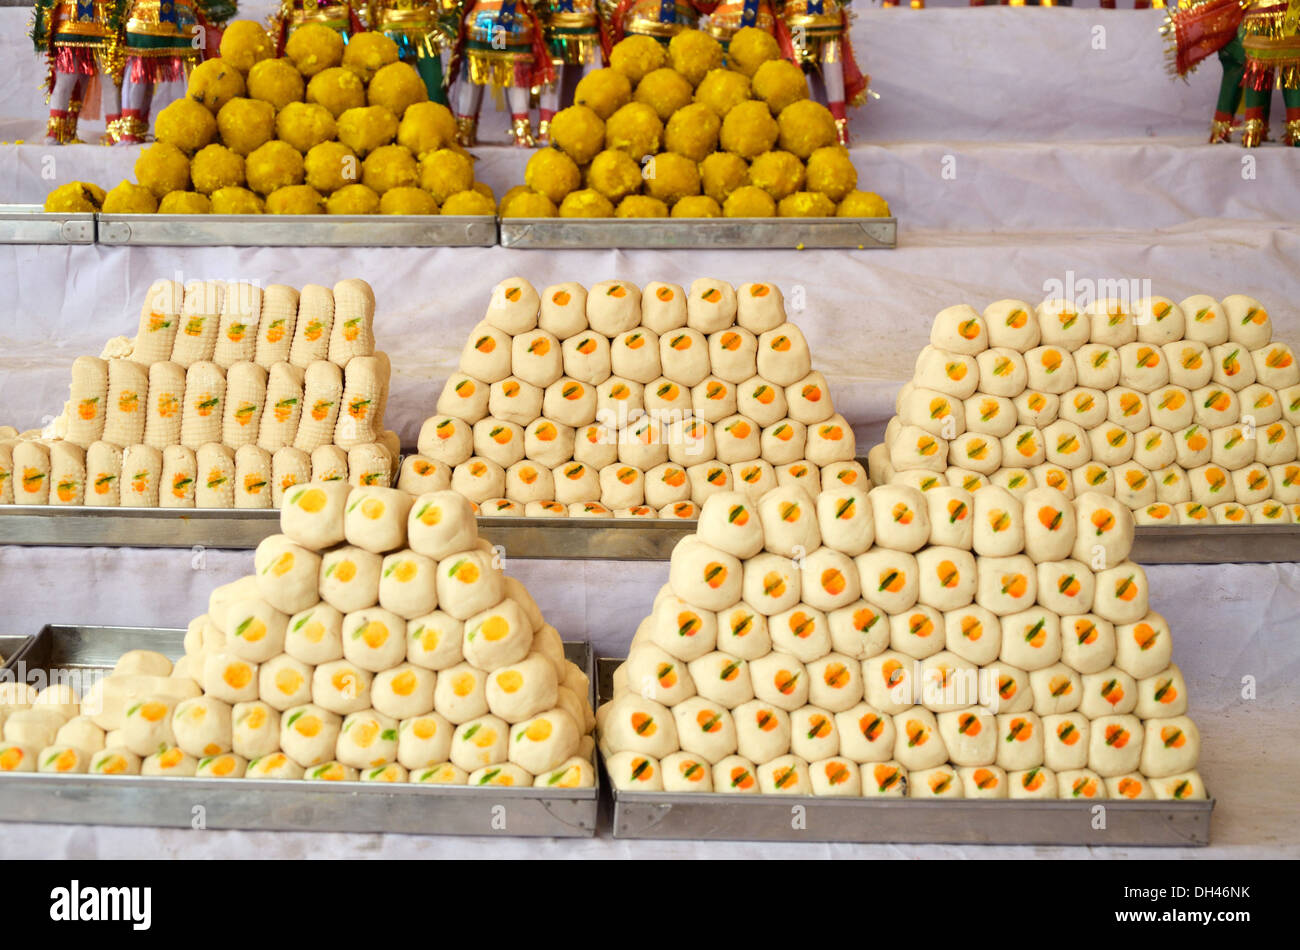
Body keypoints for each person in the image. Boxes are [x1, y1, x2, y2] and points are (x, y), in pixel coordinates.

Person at [450, 0, 555, 146]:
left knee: (476, 80)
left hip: (484, 21)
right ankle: (521, 133)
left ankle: (464, 132)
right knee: (513, 80)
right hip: (509, 24)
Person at [30, 0, 124, 145]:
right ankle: (59, 131)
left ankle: (115, 133)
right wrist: (41, 30)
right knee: (66, 81)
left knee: (111, 81)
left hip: (103, 27)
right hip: (70, 27)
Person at [368, 0, 459, 105]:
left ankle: (438, 116)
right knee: (388, 89)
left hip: (424, 24)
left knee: (434, 88)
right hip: (387, 24)